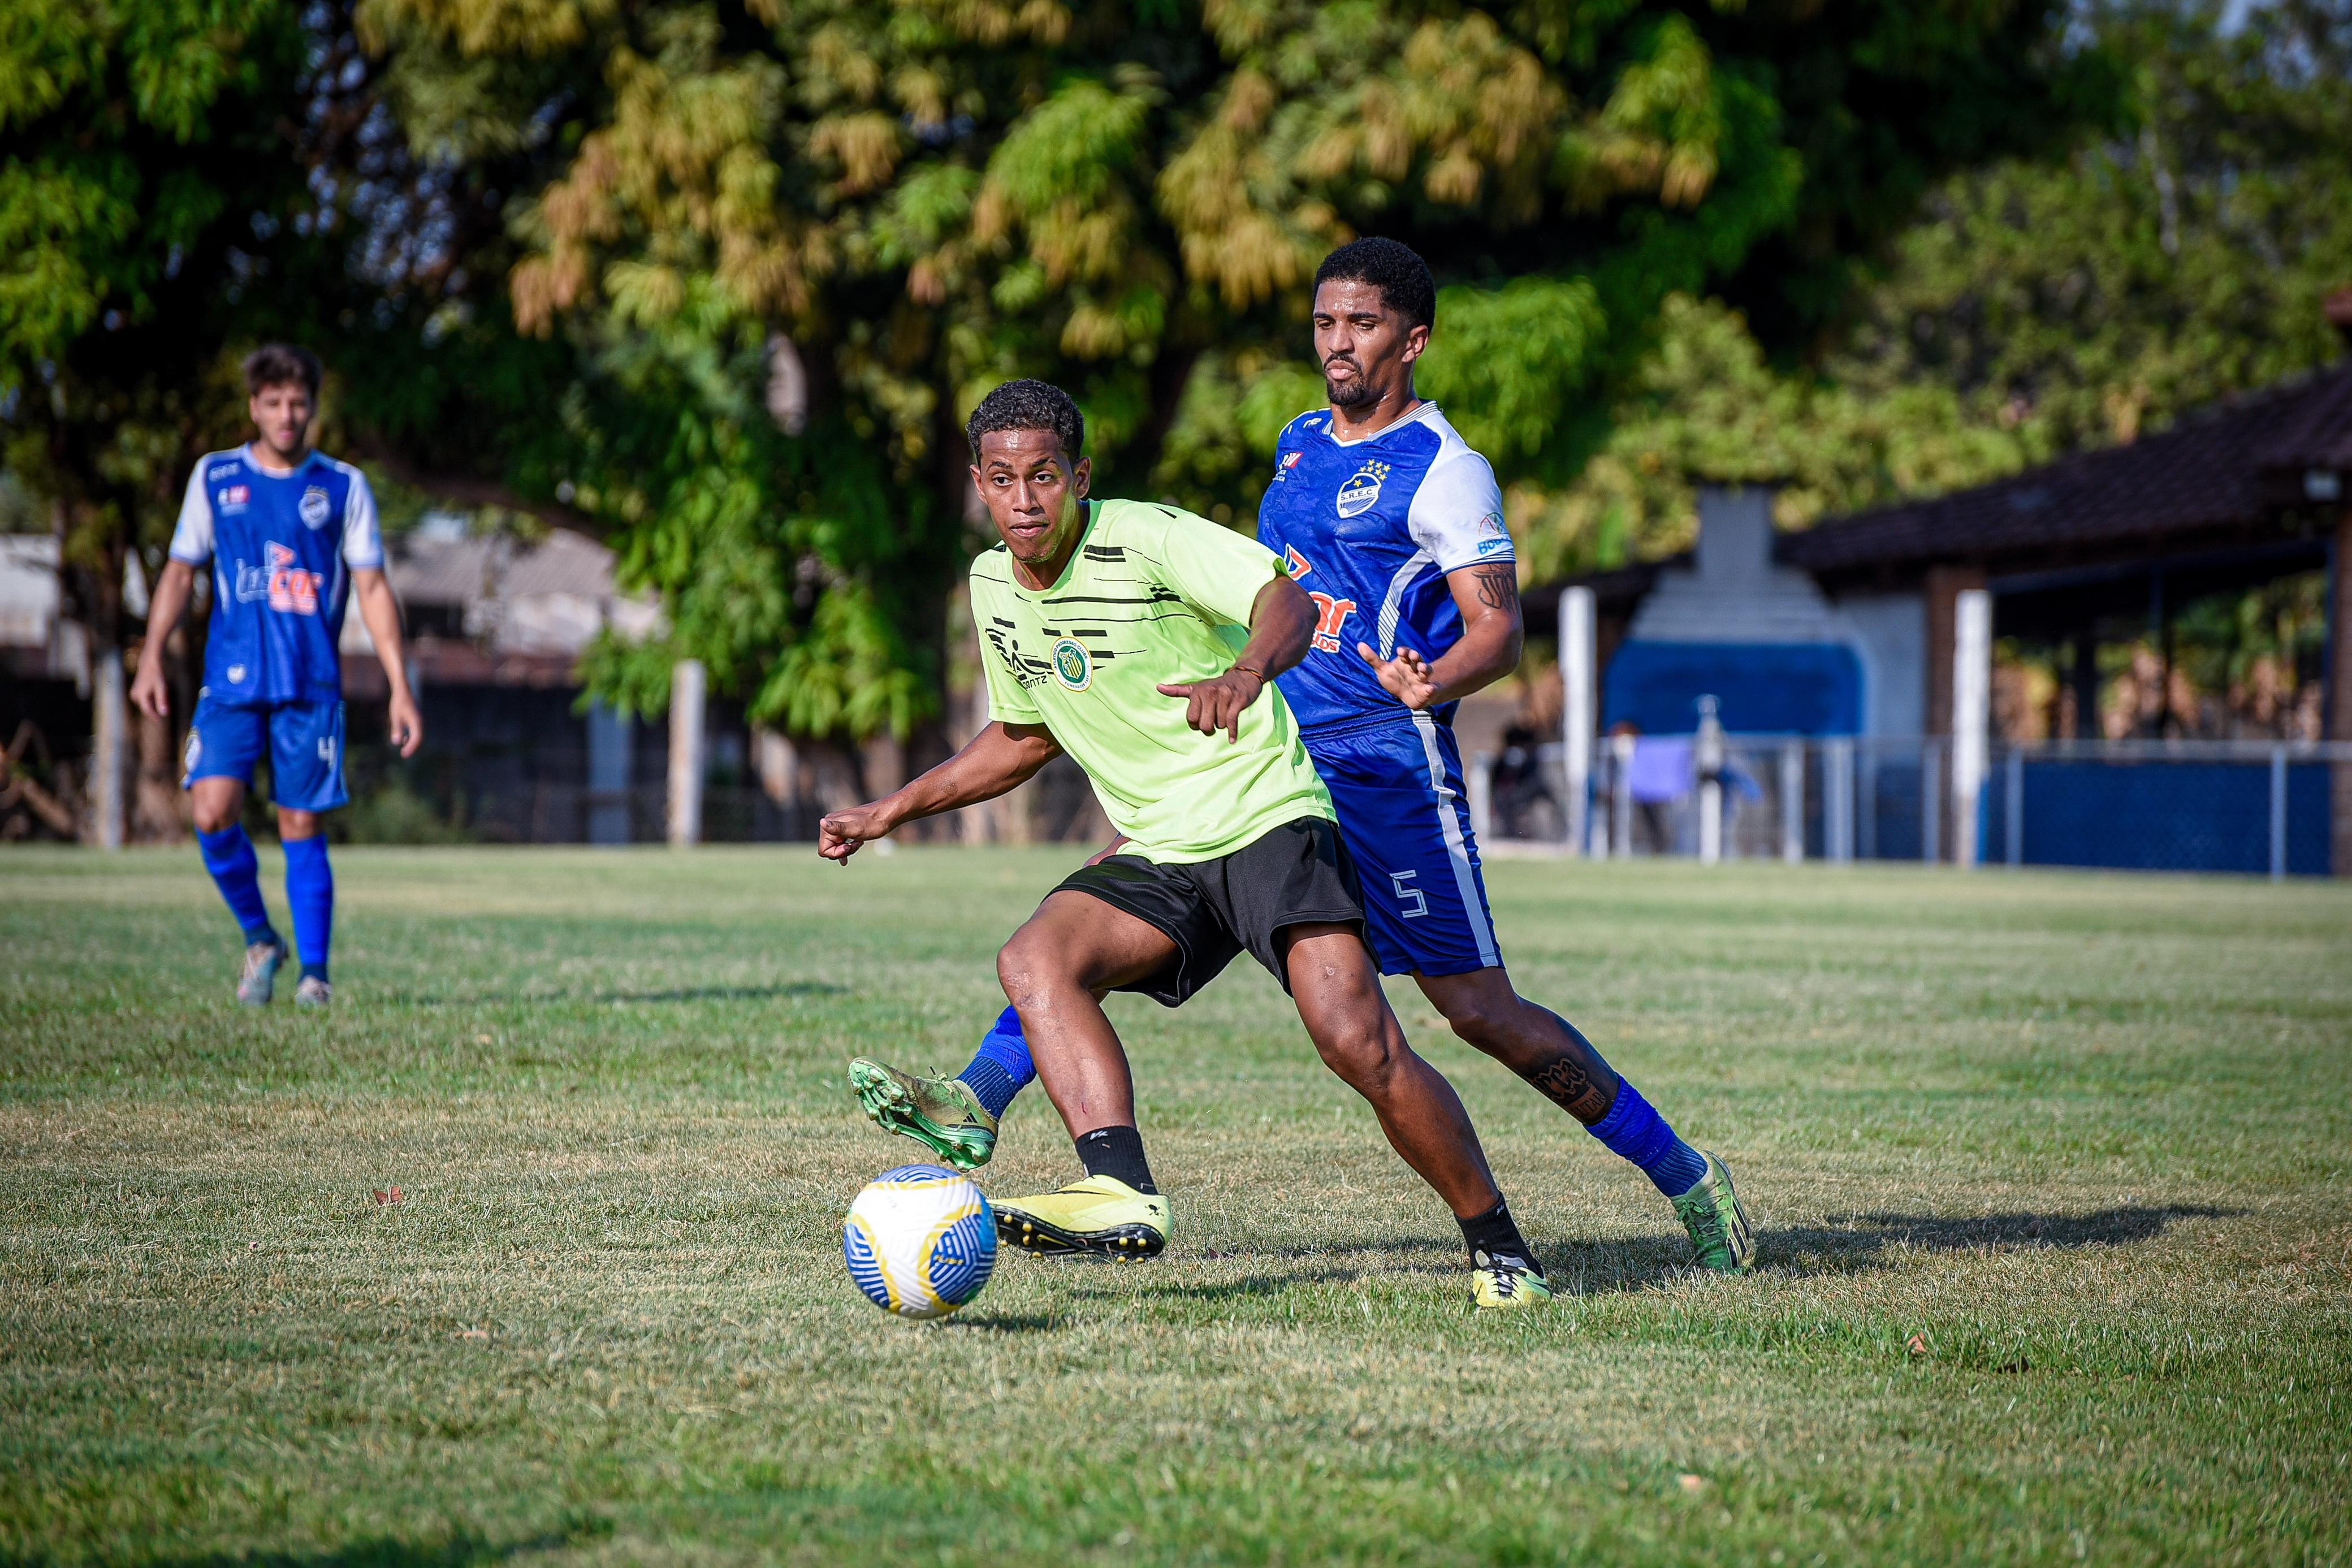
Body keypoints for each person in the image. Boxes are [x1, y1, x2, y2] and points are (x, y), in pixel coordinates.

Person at [853, 241, 1756, 1274]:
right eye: (1326, 322)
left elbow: (1499, 631)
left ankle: (1684, 1173)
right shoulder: (1295, 444)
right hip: (1270, 755)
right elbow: (1266, 592)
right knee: (1104, 896)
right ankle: (982, 1101)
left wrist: (1434, 677)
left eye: (1362, 324)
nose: (1338, 342)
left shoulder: (1446, 470)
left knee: (1477, 1011)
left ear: (1413, 340)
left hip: (1386, 764)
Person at [821, 378, 1551, 1307]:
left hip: (1267, 815)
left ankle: (1500, 1245)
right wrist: (889, 810)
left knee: (1358, 1043)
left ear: (1080, 476)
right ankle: (1120, 1188)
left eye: (1045, 476)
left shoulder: (1148, 536)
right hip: (1164, 844)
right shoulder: (991, 585)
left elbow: (1287, 601)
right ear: (978, 485)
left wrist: (1245, 673)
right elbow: (1022, 736)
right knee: (1035, 959)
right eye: (1003, 480)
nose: (1025, 499)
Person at [131, 344, 422, 1007]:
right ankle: (261, 937)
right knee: (211, 810)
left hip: (309, 684)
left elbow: (374, 588)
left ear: (313, 407)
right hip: (231, 683)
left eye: (298, 403)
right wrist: (150, 655)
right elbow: (179, 571)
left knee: (300, 822)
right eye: (273, 403)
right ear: (254, 407)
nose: (287, 415)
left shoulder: (343, 486)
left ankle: (314, 975)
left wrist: (400, 686)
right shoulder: (216, 476)